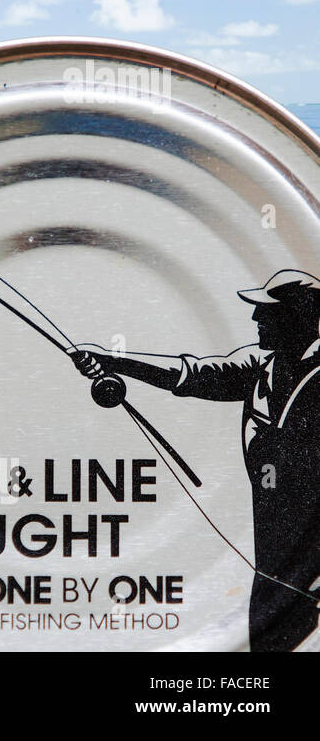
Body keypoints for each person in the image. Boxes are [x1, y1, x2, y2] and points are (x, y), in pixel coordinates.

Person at [72, 269, 320, 651]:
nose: (256, 320)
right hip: (273, 557)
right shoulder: (261, 366)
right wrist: (112, 360)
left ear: (300, 316)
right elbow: (190, 373)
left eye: (268, 312)